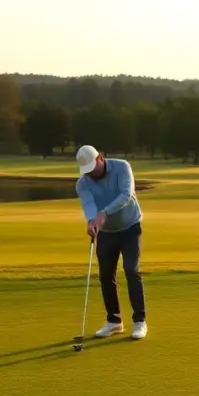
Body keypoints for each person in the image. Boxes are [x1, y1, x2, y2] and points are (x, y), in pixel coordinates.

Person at [75, 144, 148, 341]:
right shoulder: (83, 183)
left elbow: (126, 195)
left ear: (100, 158)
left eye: (92, 168)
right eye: (86, 171)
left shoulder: (122, 167)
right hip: (106, 233)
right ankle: (114, 321)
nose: (90, 173)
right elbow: (88, 204)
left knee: (131, 270)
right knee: (106, 275)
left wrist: (103, 213)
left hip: (130, 227)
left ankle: (140, 321)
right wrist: (91, 222)